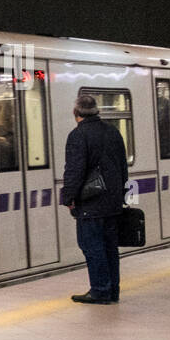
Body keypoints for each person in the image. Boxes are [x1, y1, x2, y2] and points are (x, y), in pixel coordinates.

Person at [60, 92, 128, 304]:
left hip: (91, 202)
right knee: (110, 247)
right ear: (97, 111)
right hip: (113, 201)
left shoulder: (77, 135)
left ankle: (99, 290)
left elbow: (74, 171)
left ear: (76, 113)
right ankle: (112, 290)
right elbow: (122, 167)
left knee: (92, 246)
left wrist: (68, 197)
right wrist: (120, 194)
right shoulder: (113, 132)